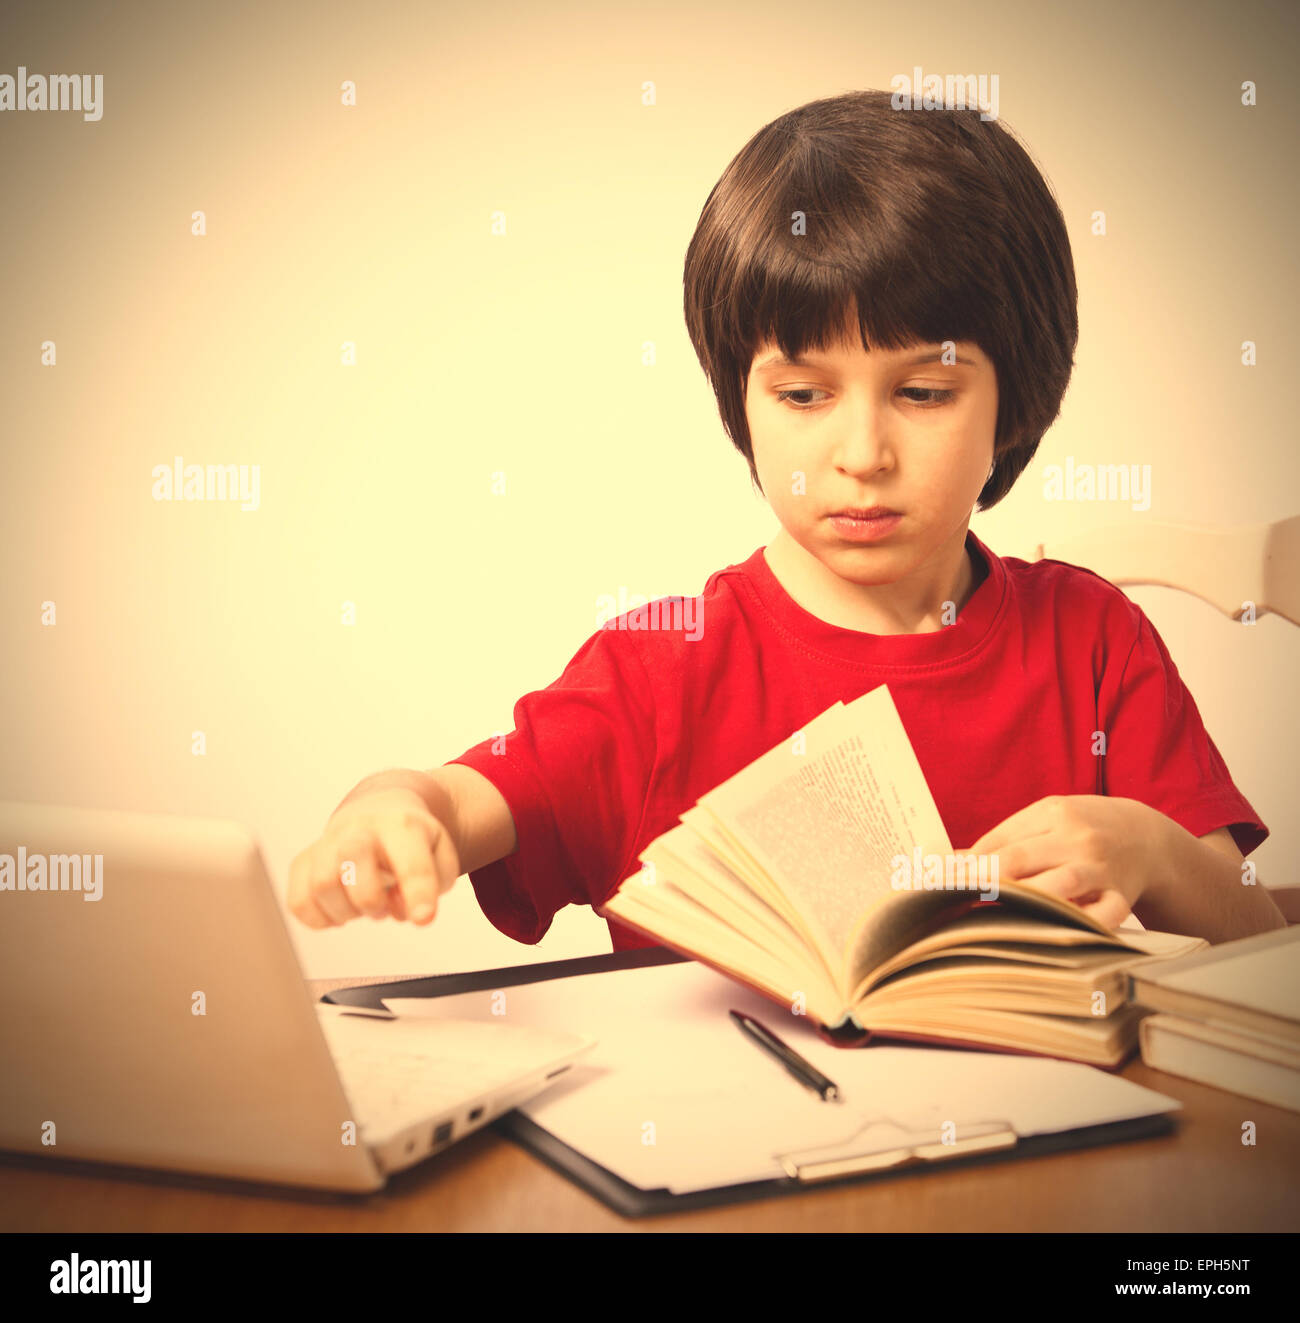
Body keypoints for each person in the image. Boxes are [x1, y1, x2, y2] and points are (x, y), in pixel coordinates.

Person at [289, 90, 1285, 948]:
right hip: (730, 1157)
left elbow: (1254, 939)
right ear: (742, 404)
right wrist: (390, 811)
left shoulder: (1092, 641)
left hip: (1050, 1144)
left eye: (924, 394)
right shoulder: (659, 668)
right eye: (804, 396)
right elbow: (461, 802)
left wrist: (1155, 854)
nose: (860, 455)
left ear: (1015, 403)